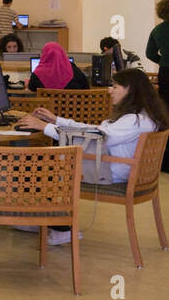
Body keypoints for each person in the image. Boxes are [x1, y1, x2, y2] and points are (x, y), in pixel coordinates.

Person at [18, 68, 168, 244]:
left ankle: (60, 227)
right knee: (47, 162)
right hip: (119, 167)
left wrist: (44, 127)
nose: (109, 90)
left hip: (111, 171)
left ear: (129, 89)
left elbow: (93, 139)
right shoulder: (142, 117)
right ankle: (45, 219)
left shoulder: (133, 121)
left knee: (39, 166)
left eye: (114, 86)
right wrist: (56, 120)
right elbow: (95, 131)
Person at [146, 0, 169, 109]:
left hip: (165, 71)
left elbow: (150, 53)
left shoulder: (157, 30)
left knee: (165, 103)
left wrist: (163, 60)